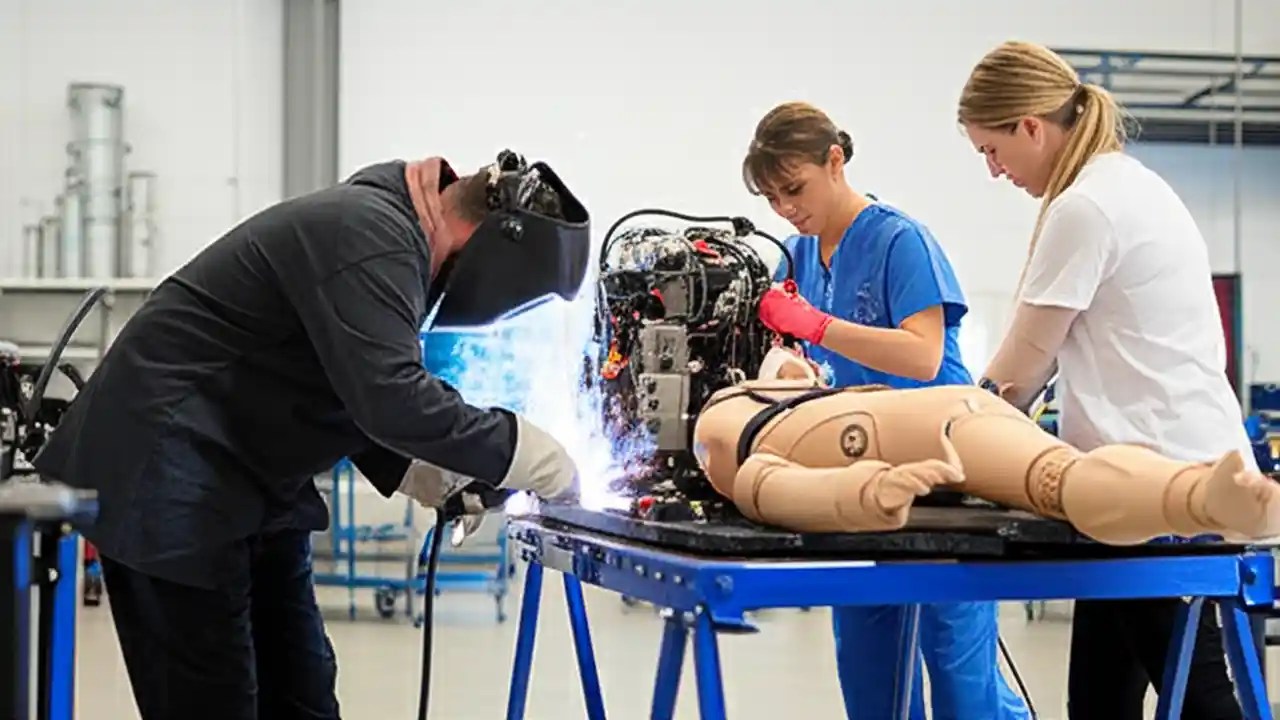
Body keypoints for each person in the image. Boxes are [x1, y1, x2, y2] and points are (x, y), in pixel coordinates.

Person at [32, 151, 591, 719]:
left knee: (303, 695)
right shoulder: (374, 234)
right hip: (167, 478)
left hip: (246, 483)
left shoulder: (388, 232)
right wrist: (528, 454)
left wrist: (423, 474)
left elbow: (337, 383)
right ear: (492, 254)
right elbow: (392, 397)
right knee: (213, 701)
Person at [957, 40, 1255, 719]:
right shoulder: (1130, 184)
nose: (994, 171)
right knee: (1097, 699)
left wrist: (959, 428)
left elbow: (1024, 366)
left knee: (1204, 699)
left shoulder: (1084, 208)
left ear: (1030, 126)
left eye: (991, 151)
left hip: (1153, 488)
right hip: (1140, 481)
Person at [741, 101, 1029, 720]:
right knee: (870, 674)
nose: (787, 209)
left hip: (948, 474)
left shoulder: (901, 240)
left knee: (960, 685)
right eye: (772, 198)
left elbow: (923, 357)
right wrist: (785, 367)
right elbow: (787, 355)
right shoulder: (795, 256)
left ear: (835, 160)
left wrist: (818, 326)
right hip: (859, 474)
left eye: (794, 189)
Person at [691, 348, 1280, 544]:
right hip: (956, 415)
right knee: (1059, 480)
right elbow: (771, 491)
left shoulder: (761, 412)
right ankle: (1205, 496)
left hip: (951, 420)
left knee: (1060, 481)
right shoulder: (731, 433)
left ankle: (1206, 497)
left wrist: (867, 493)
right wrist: (867, 493)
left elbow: (771, 490)